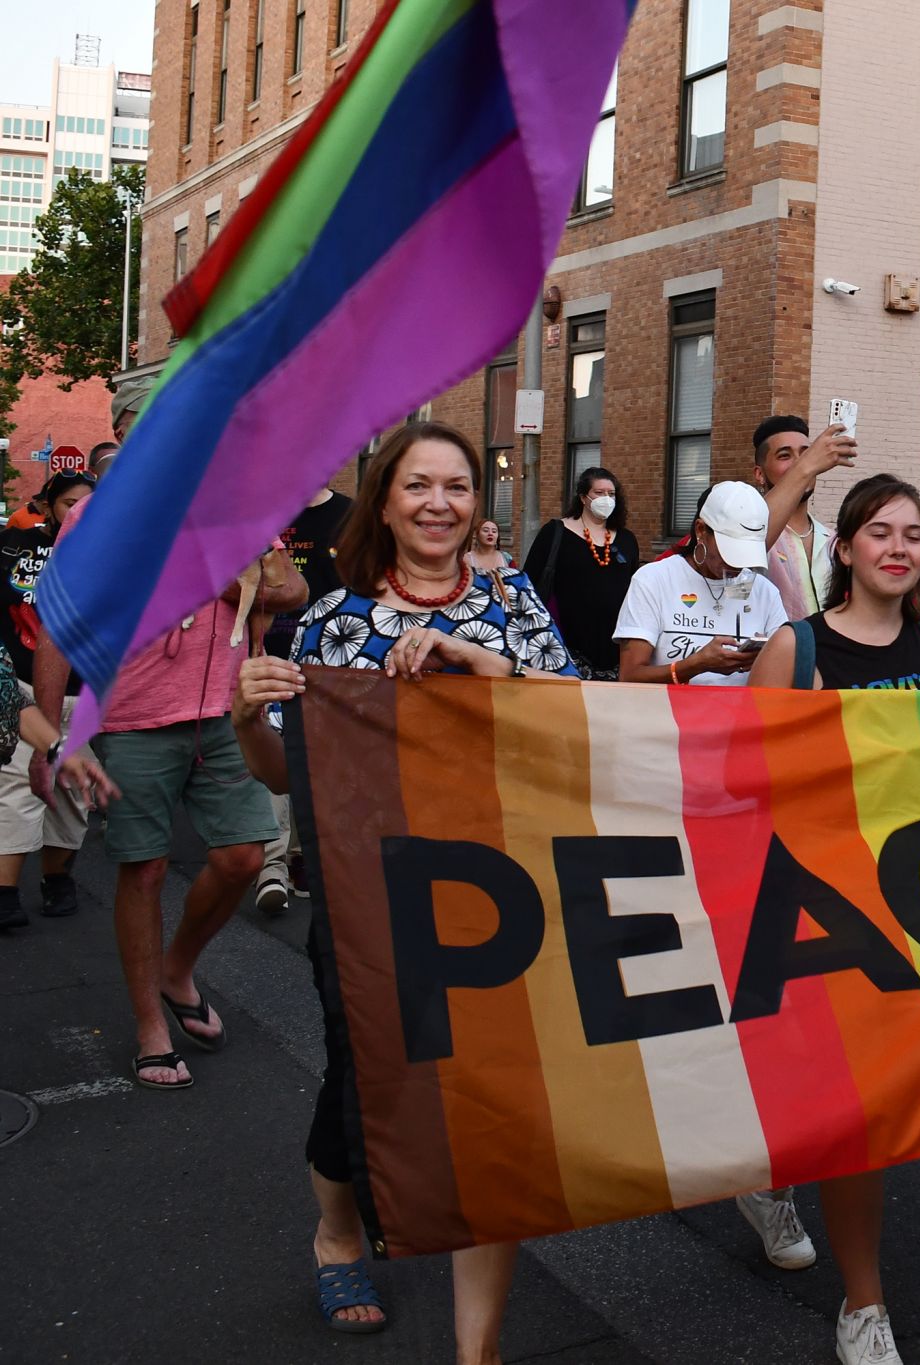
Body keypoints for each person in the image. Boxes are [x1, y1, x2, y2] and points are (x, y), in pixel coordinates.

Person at [230, 420, 577, 1354]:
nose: (438, 503)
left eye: (458, 486)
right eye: (417, 485)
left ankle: (478, 1347)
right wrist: (244, 714)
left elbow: (578, 723)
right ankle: (338, 1231)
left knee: (500, 1097)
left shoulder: (515, 599)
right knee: (369, 1080)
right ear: (383, 500)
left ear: (479, 502)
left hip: (505, 887)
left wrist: (478, 661)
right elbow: (277, 775)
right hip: (370, 897)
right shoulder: (335, 619)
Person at [749, 474, 920, 1365]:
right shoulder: (792, 649)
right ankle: (799, 1221)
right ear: (844, 548)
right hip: (806, 901)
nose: (899, 547)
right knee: (825, 1098)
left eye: (914, 534)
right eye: (880, 531)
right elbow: (743, 784)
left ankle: (849, 1284)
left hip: (901, 904)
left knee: (860, 1107)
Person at [30, 489, 304, 1089]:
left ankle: (175, 969)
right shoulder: (97, 513)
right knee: (145, 869)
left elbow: (293, 591)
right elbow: (58, 621)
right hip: (132, 715)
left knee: (244, 856)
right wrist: (49, 737)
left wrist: (237, 584)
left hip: (226, 712)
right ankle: (151, 1027)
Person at [0, 470, 102, 926]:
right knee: (17, 787)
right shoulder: (11, 547)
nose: (78, 514)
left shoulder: (109, 555)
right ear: (47, 505)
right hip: (19, 686)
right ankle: (4, 893)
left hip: (84, 694)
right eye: (68, 504)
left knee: (72, 792)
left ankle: (57, 879)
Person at [256, 484, 356, 914]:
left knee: (315, 763)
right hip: (269, 651)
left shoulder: (349, 514)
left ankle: (300, 857)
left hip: (330, 658)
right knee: (276, 759)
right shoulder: (263, 508)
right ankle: (271, 865)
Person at [614, 481, 788, 687]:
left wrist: (765, 659)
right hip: (669, 716)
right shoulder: (654, 580)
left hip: (743, 716)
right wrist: (696, 664)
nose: (738, 564)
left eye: (747, 554)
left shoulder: (764, 592)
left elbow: (785, 671)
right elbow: (630, 675)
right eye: (730, 551)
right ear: (701, 530)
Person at [525, 466, 637, 678]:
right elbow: (529, 584)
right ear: (584, 497)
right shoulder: (555, 532)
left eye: (611, 494)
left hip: (614, 648)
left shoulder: (626, 539)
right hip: (565, 644)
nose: (607, 499)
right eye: (599, 493)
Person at [751, 414, 858, 621]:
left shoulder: (833, 540)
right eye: (784, 456)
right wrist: (805, 467)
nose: (801, 463)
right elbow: (749, 539)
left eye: (807, 454)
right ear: (759, 474)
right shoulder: (749, 531)